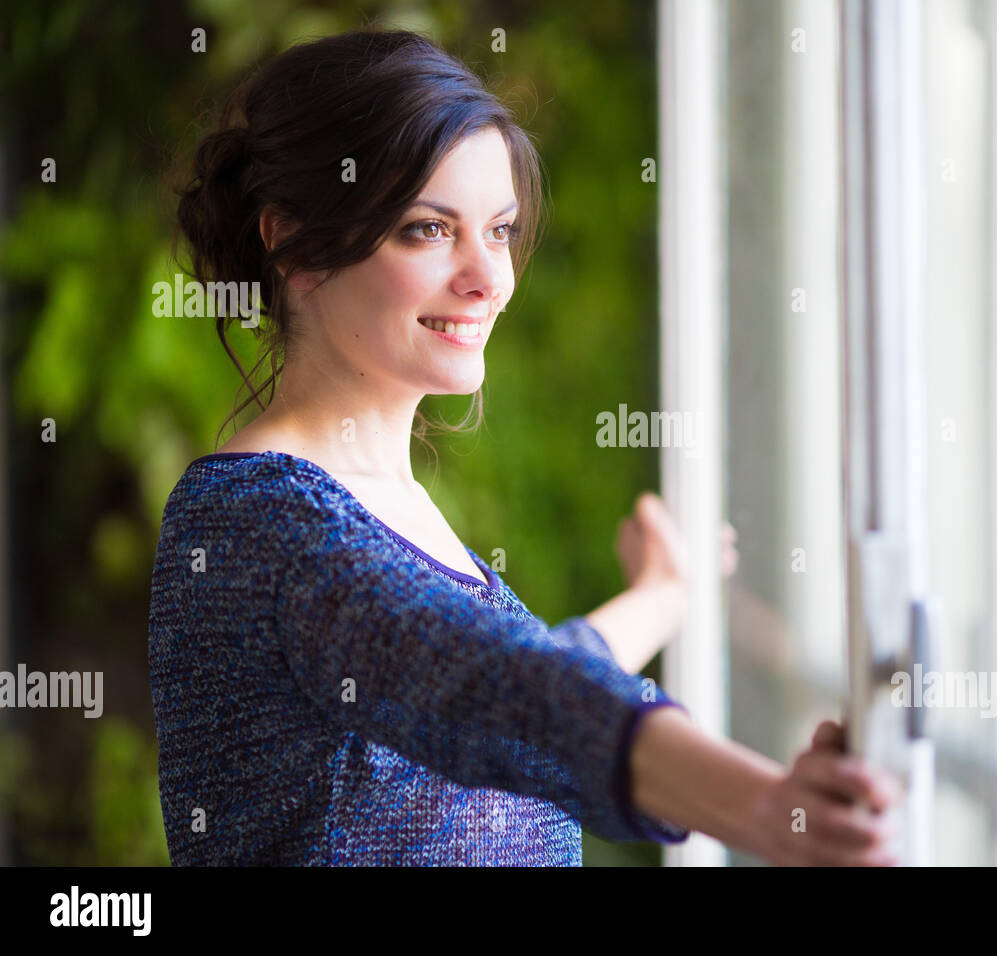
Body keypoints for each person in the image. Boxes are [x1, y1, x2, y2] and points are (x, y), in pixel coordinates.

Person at [148, 27, 901, 866]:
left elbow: (489, 694)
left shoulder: (369, 504)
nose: (490, 277)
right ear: (291, 243)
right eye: (429, 231)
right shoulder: (257, 520)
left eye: (500, 230)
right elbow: (490, 688)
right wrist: (764, 809)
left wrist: (661, 596)